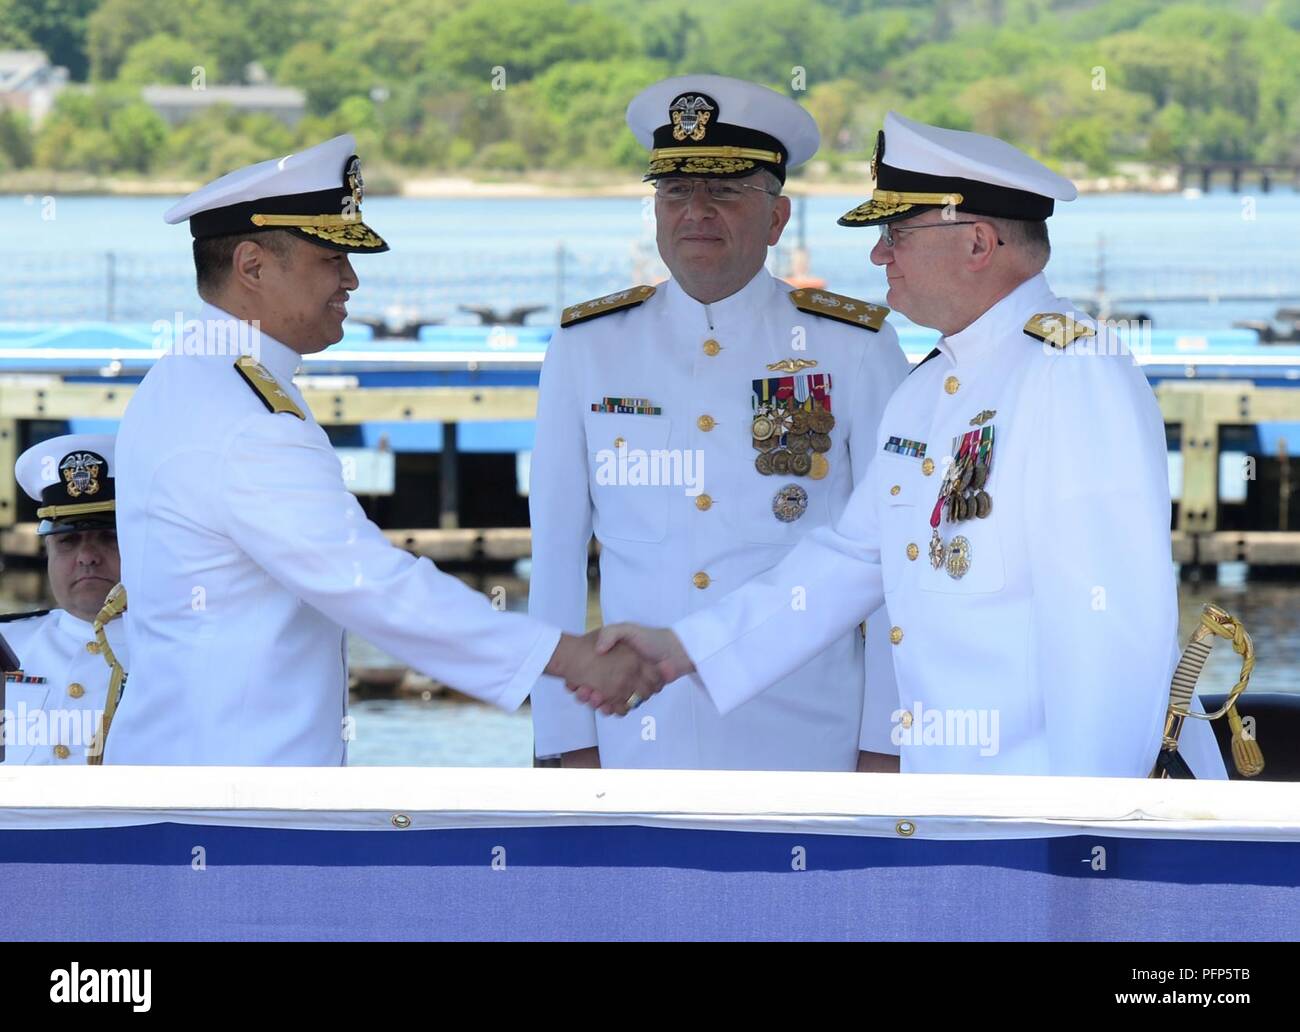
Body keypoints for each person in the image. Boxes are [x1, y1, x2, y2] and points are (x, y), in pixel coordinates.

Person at [586, 112, 1228, 779]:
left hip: (1048, 807)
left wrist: (1093, 831)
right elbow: (845, 563)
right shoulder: (926, 391)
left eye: (896, 232)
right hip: (953, 808)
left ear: (978, 242)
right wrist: (681, 649)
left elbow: (1110, 629)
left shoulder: (1073, 372)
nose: (878, 255)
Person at [105, 134, 659, 765]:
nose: (351, 278)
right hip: (232, 808)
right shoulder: (246, 417)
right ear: (252, 267)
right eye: (331, 257)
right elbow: (370, 585)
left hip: (202, 782)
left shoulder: (191, 377)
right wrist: (567, 657)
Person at [528, 75, 908, 771]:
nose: (696, 211)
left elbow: (888, 564)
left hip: (805, 732)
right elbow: (553, 559)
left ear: (777, 218)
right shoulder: (588, 345)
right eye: (675, 192)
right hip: (637, 731)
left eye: (726, 191)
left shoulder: (856, 346)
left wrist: (884, 744)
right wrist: (562, 740)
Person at [2, 434, 124, 764]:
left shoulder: (177, 648)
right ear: (48, 554)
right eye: (68, 541)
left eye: (108, 537)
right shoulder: (8, 644)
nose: (87, 556)